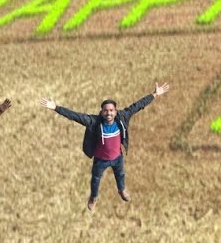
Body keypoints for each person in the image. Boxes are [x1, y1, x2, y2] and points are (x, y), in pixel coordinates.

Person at [40, 82, 169, 211]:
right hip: (100, 161)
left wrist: (154, 94)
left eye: (111, 110)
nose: (109, 113)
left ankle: (122, 190)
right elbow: (75, 116)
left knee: (120, 175)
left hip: (117, 158)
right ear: (101, 112)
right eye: (106, 110)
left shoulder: (123, 117)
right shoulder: (93, 122)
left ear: (116, 111)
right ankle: (93, 198)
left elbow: (138, 105)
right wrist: (56, 107)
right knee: (95, 180)